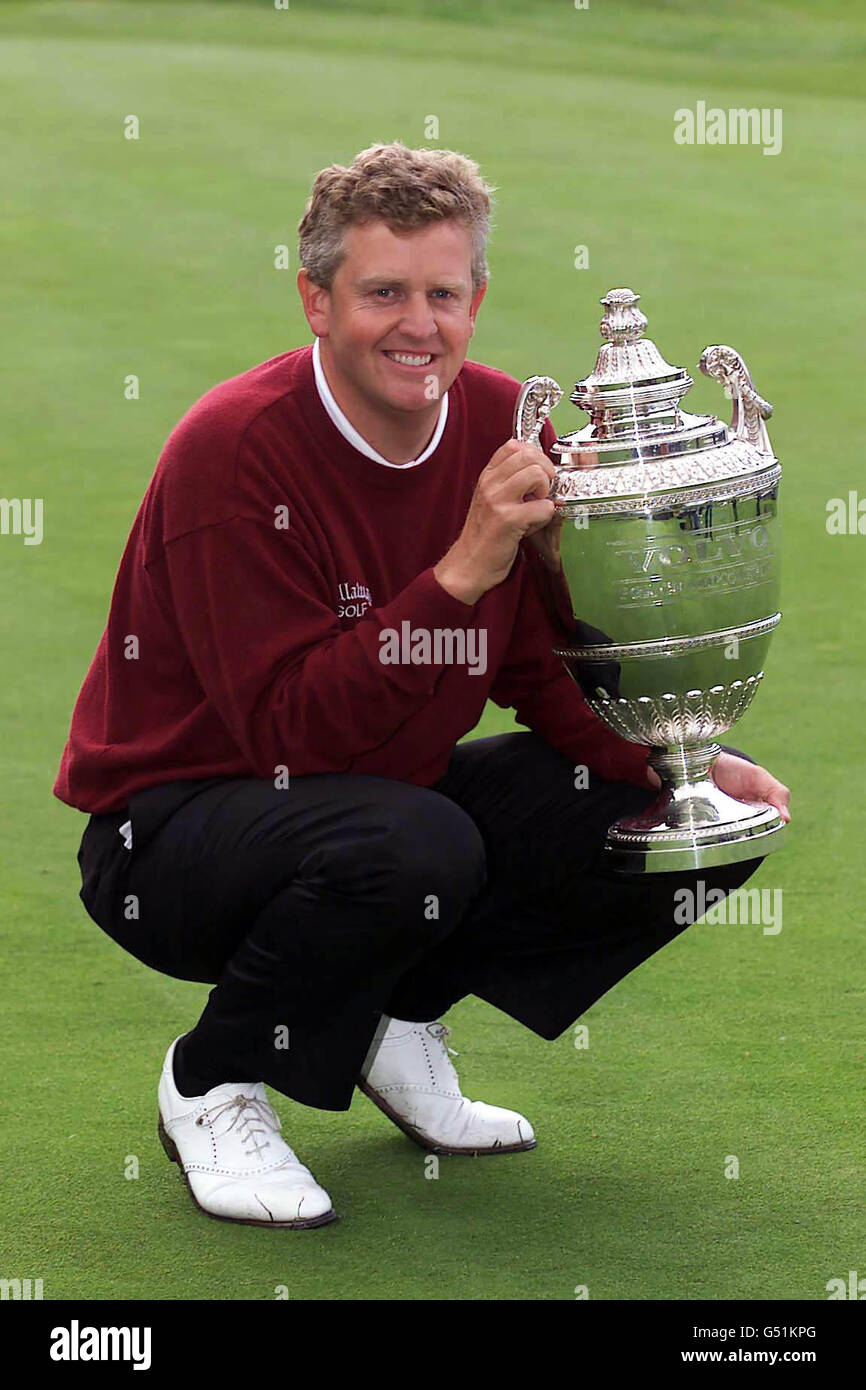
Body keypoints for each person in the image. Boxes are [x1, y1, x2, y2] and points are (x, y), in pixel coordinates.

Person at [54, 142, 791, 1231]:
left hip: (381, 807)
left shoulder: (502, 426)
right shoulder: (233, 453)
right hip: (168, 837)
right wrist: (459, 570)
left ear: (476, 299)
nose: (418, 324)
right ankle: (211, 1079)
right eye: (381, 292)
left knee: (689, 821)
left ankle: (396, 1018)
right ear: (315, 299)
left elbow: (540, 674)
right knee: (414, 845)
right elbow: (287, 732)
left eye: (443, 293)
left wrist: (672, 761)